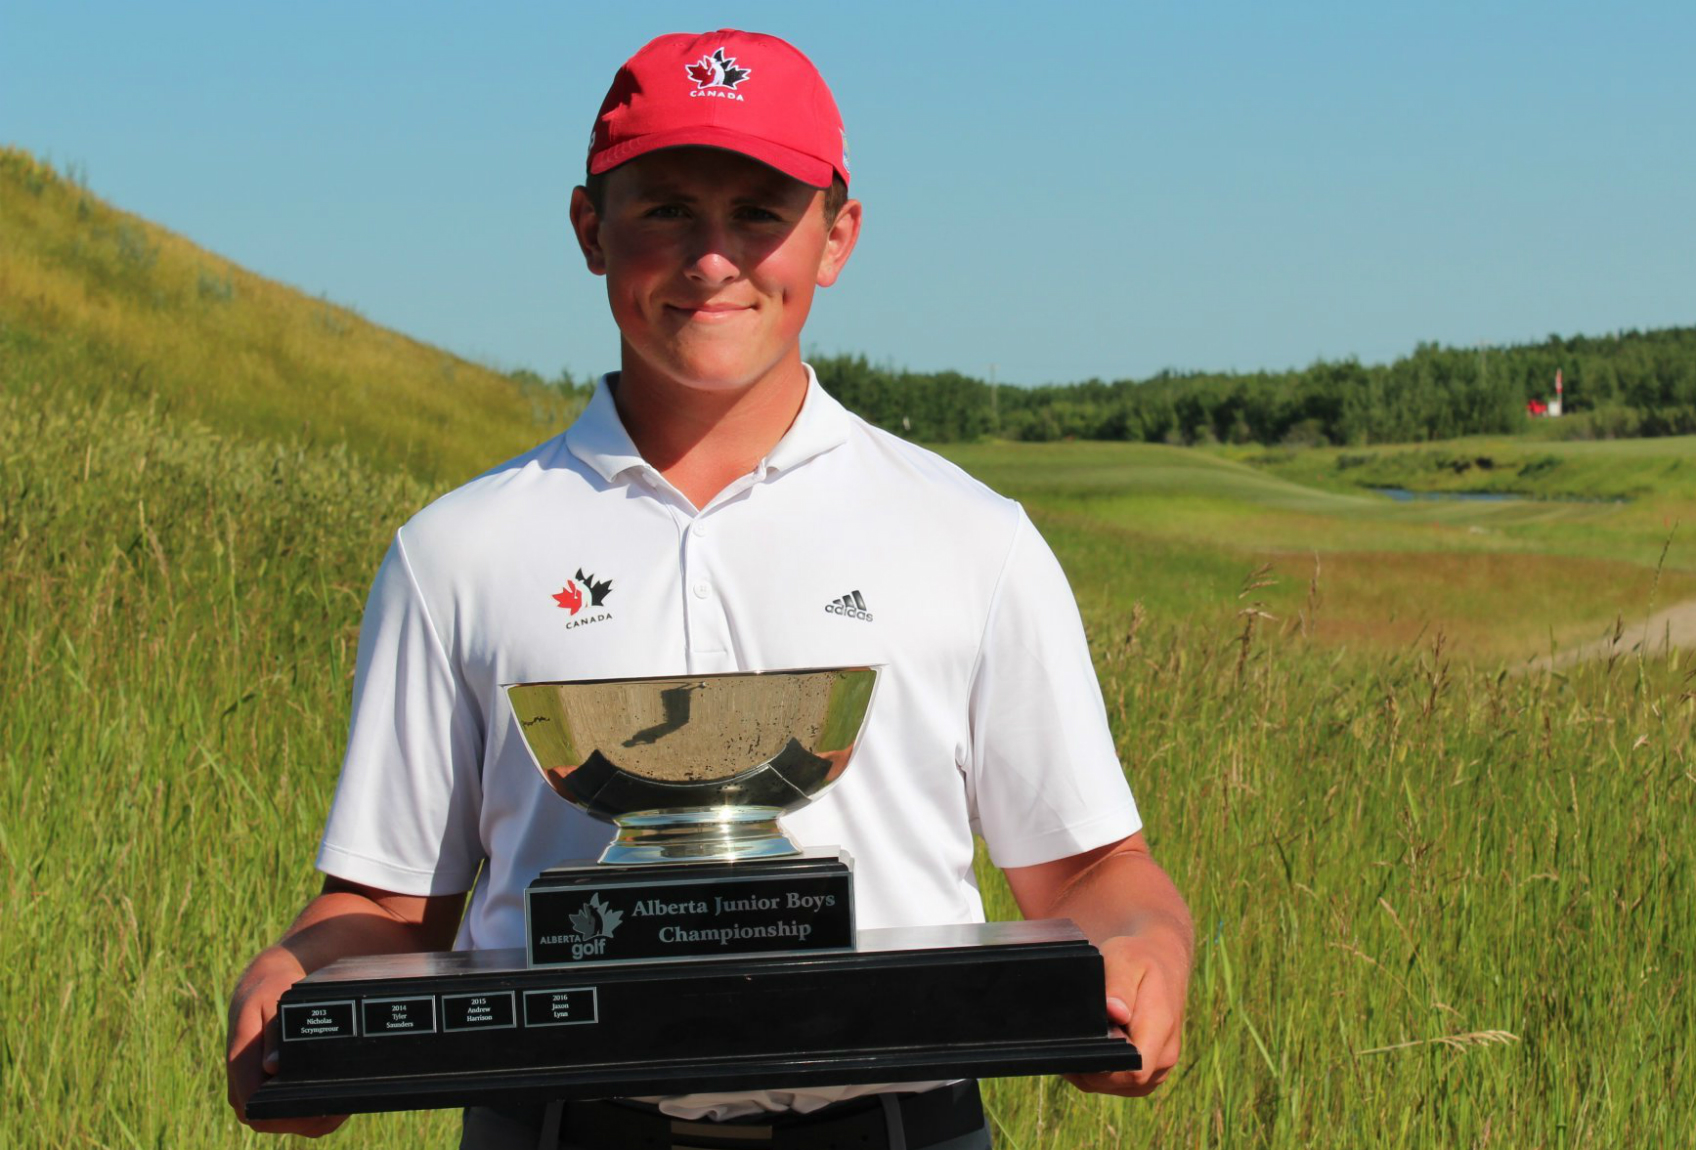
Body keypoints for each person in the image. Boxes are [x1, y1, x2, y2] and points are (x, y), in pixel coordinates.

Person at [225, 28, 1192, 1150]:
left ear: (838, 235)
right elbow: (387, 909)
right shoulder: (459, 551)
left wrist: (1144, 949)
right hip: (556, 1126)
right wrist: (300, 980)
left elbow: (1089, 869)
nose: (713, 257)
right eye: (666, 209)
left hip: (891, 1123)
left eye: (760, 212)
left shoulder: (969, 536)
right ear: (591, 229)